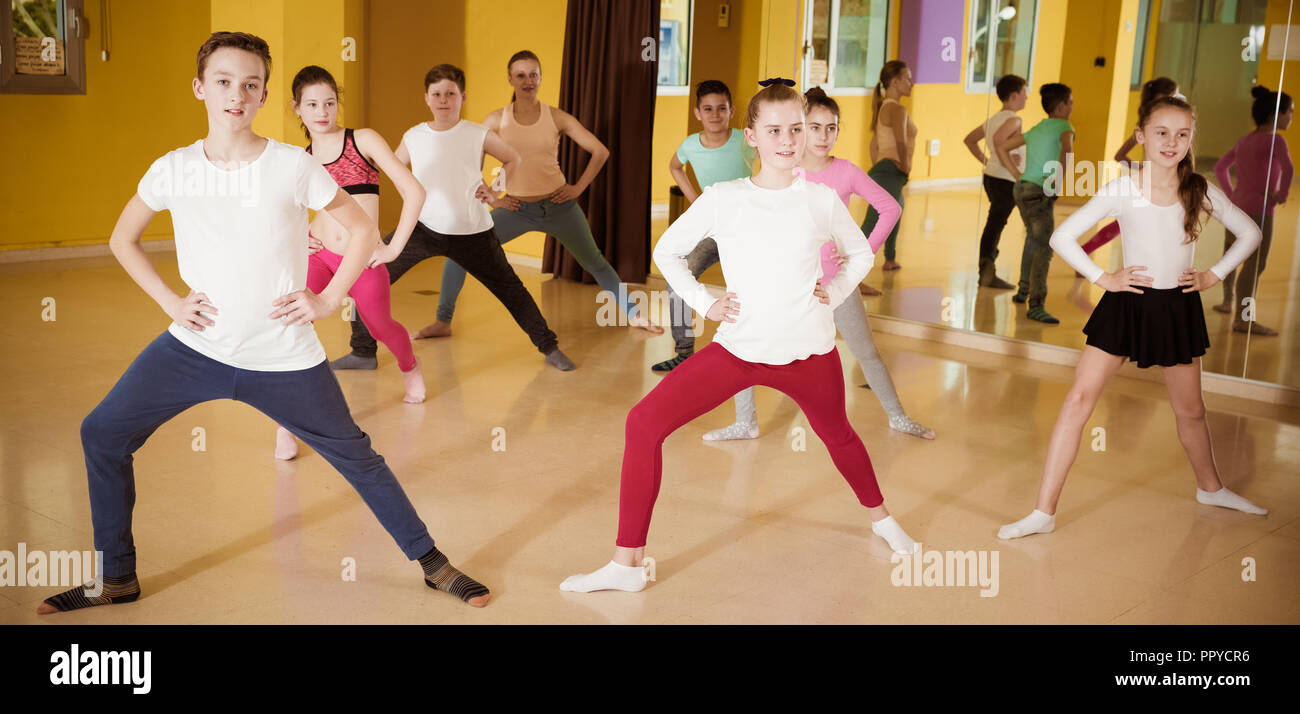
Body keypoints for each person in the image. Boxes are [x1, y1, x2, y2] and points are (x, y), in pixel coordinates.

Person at [38, 33, 490, 613]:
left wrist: (328, 301)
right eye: (224, 82)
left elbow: (358, 231)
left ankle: (432, 563)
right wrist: (172, 304)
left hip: (284, 357)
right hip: (194, 348)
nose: (237, 94)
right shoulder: (173, 169)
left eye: (251, 84)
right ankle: (117, 578)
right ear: (201, 88)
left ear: (264, 95)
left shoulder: (290, 165)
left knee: (357, 457)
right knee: (101, 433)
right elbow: (122, 239)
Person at [559, 81, 919, 594]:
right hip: (739, 350)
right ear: (751, 136)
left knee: (838, 435)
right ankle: (627, 564)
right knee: (643, 424)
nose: (788, 140)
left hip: (809, 354)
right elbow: (668, 252)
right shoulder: (724, 200)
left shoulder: (819, 199)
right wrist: (708, 304)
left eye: (796, 129)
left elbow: (860, 254)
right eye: (774, 130)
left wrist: (834, 290)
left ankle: (883, 520)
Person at [998, 96, 1268, 541]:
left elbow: (1250, 232)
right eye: (1162, 132)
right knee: (1077, 402)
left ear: (1191, 139)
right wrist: (1104, 277)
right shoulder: (1123, 189)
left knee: (1192, 410)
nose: (1172, 142)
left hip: (1177, 306)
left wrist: (1213, 275)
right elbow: (1064, 237)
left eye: (1183, 134)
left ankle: (1211, 488)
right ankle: (1042, 511)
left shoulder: (1198, 189)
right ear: (1141, 135)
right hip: (1126, 305)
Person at [702, 86, 934, 442]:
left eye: (832, 127)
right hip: (782, 287)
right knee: (741, 350)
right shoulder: (782, 171)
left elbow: (891, 208)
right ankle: (745, 422)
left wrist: (861, 250)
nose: (824, 136)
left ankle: (897, 416)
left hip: (833, 286)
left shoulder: (846, 172)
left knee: (866, 353)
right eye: (814, 127)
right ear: (799, 128)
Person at [328, 64, 577, 372]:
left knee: (512, 291)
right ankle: (362, 352)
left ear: (463, 97)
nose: (443, 99)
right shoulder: (414, 136)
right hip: (423, 229)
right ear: (427, 98)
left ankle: (549, 347)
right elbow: (387, 170)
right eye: (437, 94)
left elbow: (514, 158)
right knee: (368, 277)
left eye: (450, 93)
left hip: (474, 234)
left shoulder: (477, 133)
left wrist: (495, 189)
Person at [418, 49, 661, 341]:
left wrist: (577, 188)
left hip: (560, 207)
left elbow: (600, 151)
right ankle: (442, 321)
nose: (527, 80)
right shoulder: (497, 120)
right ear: (510, 79)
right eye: (521, 75)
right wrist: (495, 198)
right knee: (458, 254)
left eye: (533, 74)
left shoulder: (556, 117)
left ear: (541, 78)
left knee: (595, 261)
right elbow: (469, 162)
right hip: (516, 209)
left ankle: (634, 314)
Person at [271, 65, 427, 461]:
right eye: (312, 104)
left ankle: (409, 365)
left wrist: (392, 249)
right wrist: (298, 236)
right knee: (293, 324)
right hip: (319, 256)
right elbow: (288, 210)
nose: (322, 111)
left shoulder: (364, 140)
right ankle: (287, 424)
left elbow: (414, 191)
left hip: (363, 258)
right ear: (297, 109)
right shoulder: (299, 158)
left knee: (379, 326)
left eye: (329, 102)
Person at [652, 79, 756, 373]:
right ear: (698, 113)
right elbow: (674, 166)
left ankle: (752, 348)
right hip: (711, 229)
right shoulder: (689, 146)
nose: (714, 114)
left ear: (731, 111)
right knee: (678, 277)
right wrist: (695, 198)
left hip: (746, 228)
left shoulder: (745, 140)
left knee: (752, 284)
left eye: (721, 108)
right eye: (708, 109)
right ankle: (683, 351)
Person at [1212, 85, 1294, 336]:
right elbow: (1289, 170)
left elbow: (1220, 168)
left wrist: (1231, 194)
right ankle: (1244, 319)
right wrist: (1281, 195)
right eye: (1289, 112)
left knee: (1231, 255)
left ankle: (1227, 302)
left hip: (1236, 207)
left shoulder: (1245, 140)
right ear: (1274, 115)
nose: (1292, 116)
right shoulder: (1276, 140)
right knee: (1255, 264)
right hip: (1260, 210)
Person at [1078, 77, 1181, 260]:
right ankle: (1085, 252)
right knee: (1129, 225)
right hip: (1152, 185)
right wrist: (1143, 169)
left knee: (1128, 225)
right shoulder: (1149, 127)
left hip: (1162, 183)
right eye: (1171, 97)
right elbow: (1119, 156)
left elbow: (1120, 157)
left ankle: (1085, 252)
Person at [998, 82, 1075, 324]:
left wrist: (1016, 174)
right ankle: (1037, 304)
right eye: (1070, 102)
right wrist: (1058, 182)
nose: (1072, 107)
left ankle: (1023, 290)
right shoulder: (1065, 126)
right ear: (1061, 106)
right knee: (1044, 247)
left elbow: (1002, 147)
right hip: (1040, 190)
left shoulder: (1038, 127)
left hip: (1021, 189)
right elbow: (1067, 152)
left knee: (1033, 238)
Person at [964, 74, 1028, 290]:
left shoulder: (993, 119)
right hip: (1004, 180)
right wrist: (1008, 162)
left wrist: (988, 160)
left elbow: (970, 140)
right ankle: (987, 273)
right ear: (1014, 95)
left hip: (991, 177)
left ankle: (987, 271)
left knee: (995, 223)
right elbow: (1000, 141)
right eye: (1024, 92)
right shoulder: (1014, 119)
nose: (1026, 97)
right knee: (995, 225)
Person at [858, 60, 916, 290]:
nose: (912, 83)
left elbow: (874, 145)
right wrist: (905, 166)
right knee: (873, 223)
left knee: (896, 212)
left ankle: (890, 259)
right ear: (895, 82)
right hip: (891, 171)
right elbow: (901, 141)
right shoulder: (897, 109)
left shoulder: (885, 107)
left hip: (886, 170)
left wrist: (880, 165)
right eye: (908, 78)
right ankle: (851, 273)